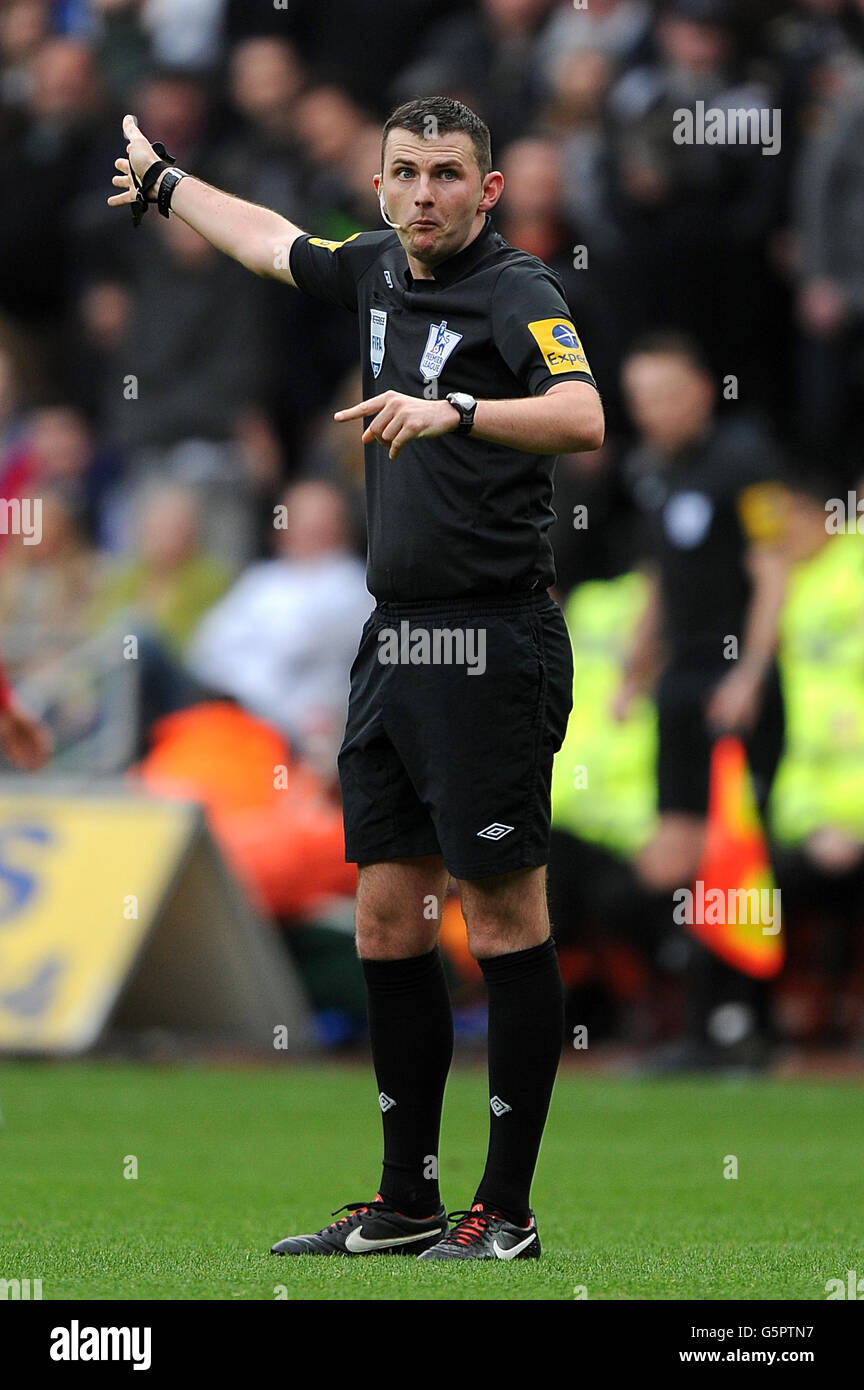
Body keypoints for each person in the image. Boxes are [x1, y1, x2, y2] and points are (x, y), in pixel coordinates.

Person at [108, 94, 604, 1262]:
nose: (422, 193)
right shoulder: (377, 266)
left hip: (492, 639)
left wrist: (459, 410)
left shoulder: (520, 291)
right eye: (403, 173)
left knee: (501, 916)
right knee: (388, 922)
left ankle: (510, 1213)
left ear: (487, 191)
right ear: (379, 185)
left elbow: (583, 415)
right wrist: (170, 185)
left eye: (444, 174)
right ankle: (405, 1201)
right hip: (395, 641)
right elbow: (269, 240)